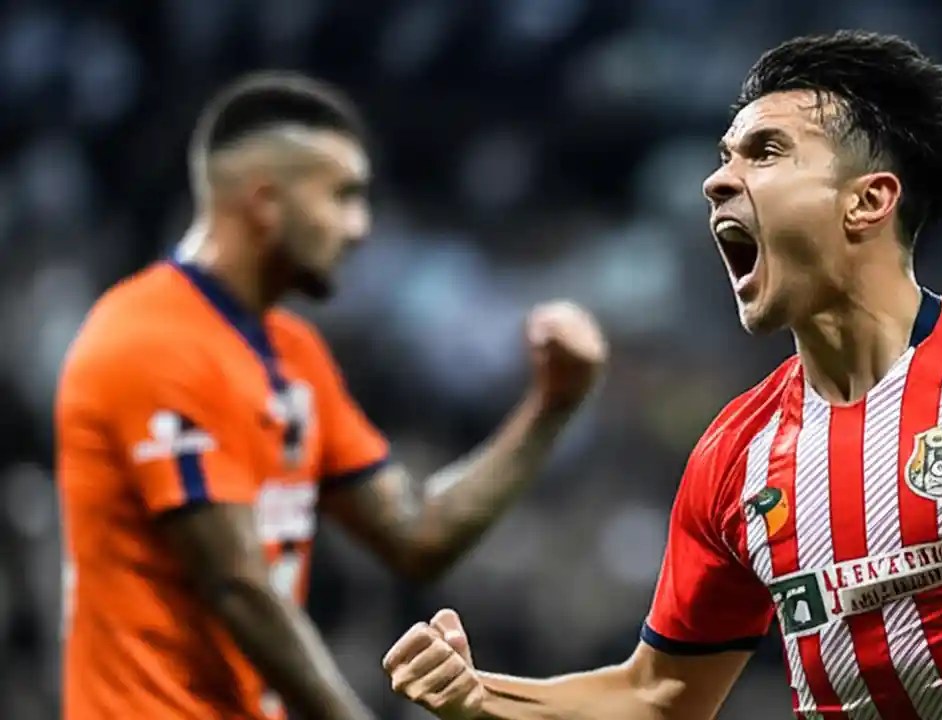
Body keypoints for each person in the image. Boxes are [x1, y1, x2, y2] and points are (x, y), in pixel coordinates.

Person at [380, 30, 942, 720]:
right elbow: (659, 697)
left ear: (869, 200)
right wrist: (479, 699)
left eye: (763, 153)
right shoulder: (734, 458)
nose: (715, 182)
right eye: (723, 156)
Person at [55, 71, 608, 720]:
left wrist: (552, 406)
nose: (360, 227)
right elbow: (238, 587)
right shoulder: (150, 340)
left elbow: (418, 535)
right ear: (265, 202)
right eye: (342, 197)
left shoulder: (293, 353)